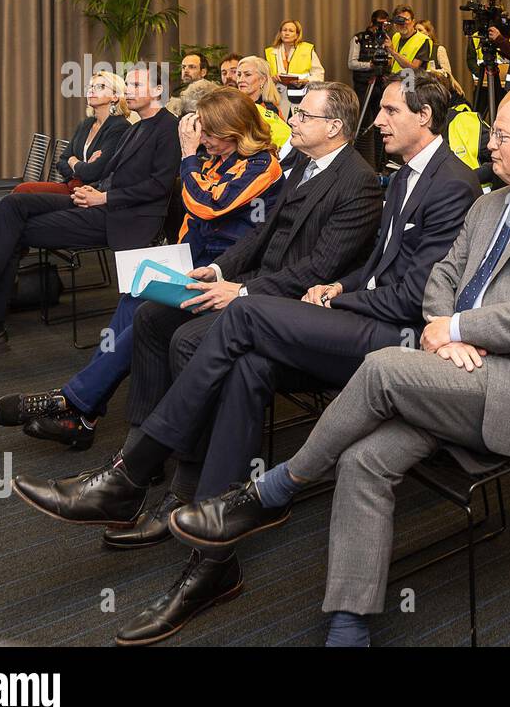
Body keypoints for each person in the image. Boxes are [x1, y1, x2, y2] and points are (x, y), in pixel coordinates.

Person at [16, 95, 510, 648]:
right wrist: (440, 327)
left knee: (349, 356)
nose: (488, 144)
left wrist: (454, 331)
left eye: (501, 136)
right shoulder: (489, 204)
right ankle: (318, 612)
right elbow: (442, 279)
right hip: (442, 366)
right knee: (341, 442)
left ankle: (253, 488)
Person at [91, 82, 381, 516]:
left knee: (188, 339)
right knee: (152, 316)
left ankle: (186, 481)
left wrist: (242, 291)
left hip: (295, 302)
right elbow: (265, 232)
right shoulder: (305, 161)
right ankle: (136, 456)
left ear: (334, 127)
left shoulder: (358, 182)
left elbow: (318, 270)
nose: (291, 121)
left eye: (304, 116)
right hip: (257, 281)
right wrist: (221, 269)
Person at [0, 87, 284, 450]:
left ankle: (74, 403)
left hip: (226, 274)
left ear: (234, 131)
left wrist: (187, 155)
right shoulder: (217, 157)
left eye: (209, 133)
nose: (203, 139)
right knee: (134, 294)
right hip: (194, 262)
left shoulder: (263, 166)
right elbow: (194, 211)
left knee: (147, 314)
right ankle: (83, 412)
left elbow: (207, 205)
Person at [0, 65, 181, 361]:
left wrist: (104, 196)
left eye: (135, 85)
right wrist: (92, 190)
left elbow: (159, 187)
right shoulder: (137, 126)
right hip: (100, 201)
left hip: (123, 219)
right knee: (11, 206)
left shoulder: (168, 128)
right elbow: (105, 171)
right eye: (128, 85)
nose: (127, 91)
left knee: (12, 232)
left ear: (158, 90)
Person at [15, 71, 131, 195]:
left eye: (100, 87)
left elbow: (93, 172)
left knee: (22, 193)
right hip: (72, 186)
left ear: (115, 96)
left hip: (91, 193)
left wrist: (73, 161)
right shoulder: (86, 124)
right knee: (22, 190)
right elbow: (61, 162)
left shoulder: (119, 127)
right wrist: (82, 168)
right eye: (90, 86)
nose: (91, 90)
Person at [233, 55, 292, 152]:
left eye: (247, 75)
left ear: (262, 79)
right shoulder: (231, 105)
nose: (241, 80)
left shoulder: (271, 109)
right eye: (239, 75)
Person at [266, 19, 324, 113]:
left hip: (301, 96)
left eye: (291, 31)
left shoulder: (307, 49)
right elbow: (264, 77)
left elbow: (319, 73)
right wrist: (272, 79)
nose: (287, 33)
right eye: (284, 30)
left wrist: (306, 80)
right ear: (280, 33)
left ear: (297, 35)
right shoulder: (270, 52)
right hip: (277, 97)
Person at [347, 9, 388, 101]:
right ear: (372, 22)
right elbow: (351, 63)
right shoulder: (359, 38)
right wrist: (370, 65)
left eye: (385, 24)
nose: (382, 27)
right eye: (379, 24)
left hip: (381, 84)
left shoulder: (387, 40)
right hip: (363, 85)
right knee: (363, 113)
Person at [417, 18, 464, 97]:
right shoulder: (415, 50)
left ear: (428, 32)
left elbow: (447, 73)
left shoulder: (439, 49)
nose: (417, 33)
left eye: (420, 30)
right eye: (415, 30)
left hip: (437, 91)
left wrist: (431, 72)